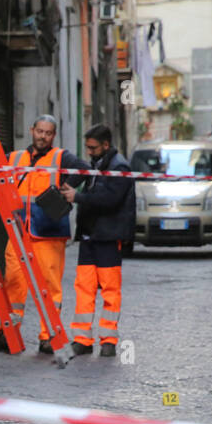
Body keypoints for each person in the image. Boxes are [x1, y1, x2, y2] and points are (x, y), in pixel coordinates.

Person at [0, 114, 88, 355]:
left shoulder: (60, 157)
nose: (43, 136)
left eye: (48, 133)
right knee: (13, 285)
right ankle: (7, 335)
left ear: (53, 135)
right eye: (40, 131)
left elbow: (85, 169)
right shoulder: (16, 157)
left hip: (48, 232)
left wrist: (64, 188)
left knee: (49, 287)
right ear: (32, 130)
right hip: (19, 231)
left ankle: (49, 337)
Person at [59, 124, 134, 357]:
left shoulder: (119, 166)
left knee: (110, 291)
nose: (89, 152)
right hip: (91, 237)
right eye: (87, 148)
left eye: (92, 148)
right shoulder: (97, 164)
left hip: (108, 238)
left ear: (105, 145)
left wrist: (78, 196)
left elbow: (110, 199)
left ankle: (109, 340)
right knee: (84, 288)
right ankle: (82, 339)